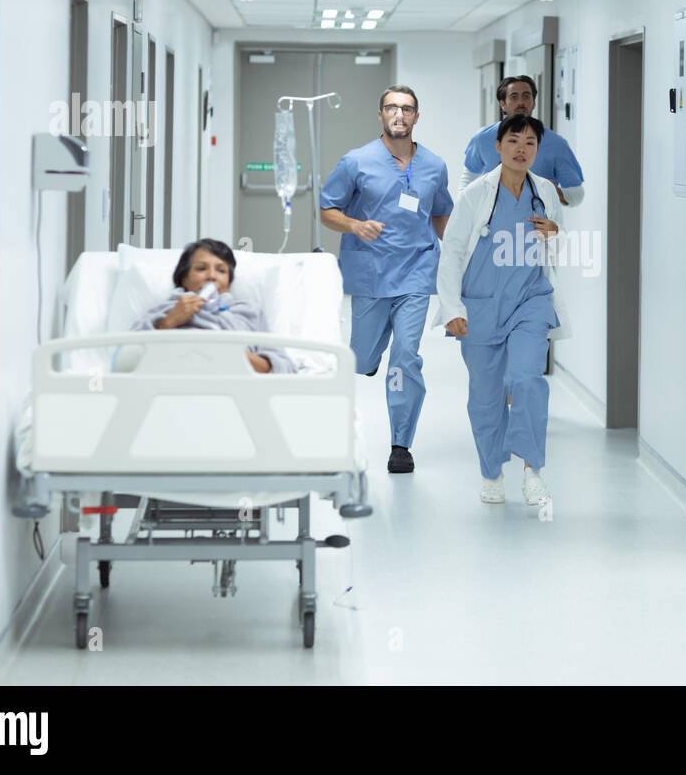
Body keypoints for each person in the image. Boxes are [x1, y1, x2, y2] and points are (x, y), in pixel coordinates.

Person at [434, 114, 570, 505]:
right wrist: (451, 307)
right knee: (485, 396)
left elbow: (558, 247)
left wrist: (556, 234)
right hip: (479, 306)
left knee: (527, 379)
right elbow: (453, 252)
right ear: (498, 146)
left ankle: (532, 470)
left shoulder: (543, 190)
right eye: (514, 140)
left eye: (530, 142)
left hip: (531, 300)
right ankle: (491, 471)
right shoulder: (476, 194)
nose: (522, 148)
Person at [319, 85, 453, 474]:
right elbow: (327, 210)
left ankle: (401, 444)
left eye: (407, 109)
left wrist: (462, 261)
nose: (399, 115)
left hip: (417, 270)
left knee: (406, 357)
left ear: (416, 117)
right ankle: (370, 357)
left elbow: (442, 214)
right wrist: (355, 225)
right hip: (371, 272)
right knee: (361, 359)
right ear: (380, 114)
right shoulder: (355, 162)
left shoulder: (433, 165)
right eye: (392, 108)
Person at [132, 238, 295, 374]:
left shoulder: (248, 313)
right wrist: (168, 323)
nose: (211, 276)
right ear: (183, 278)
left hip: (236, 389)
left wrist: (236, 355)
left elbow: (285, 368)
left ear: (229, 282)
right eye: (201, 269)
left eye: (221, 271)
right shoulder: (165, 311)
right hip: (174, 385)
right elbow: (128, 358)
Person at [461, 75, 585, 206]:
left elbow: (577, 193)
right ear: (502, 104)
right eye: (514, 97)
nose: (521, 102)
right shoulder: (483, 138)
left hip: (537, 222)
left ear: (534, 102)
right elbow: (467, 179)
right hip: (491, 222)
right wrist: (464, 211)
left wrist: (556, 193)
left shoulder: (556, 144)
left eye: (526, 96)